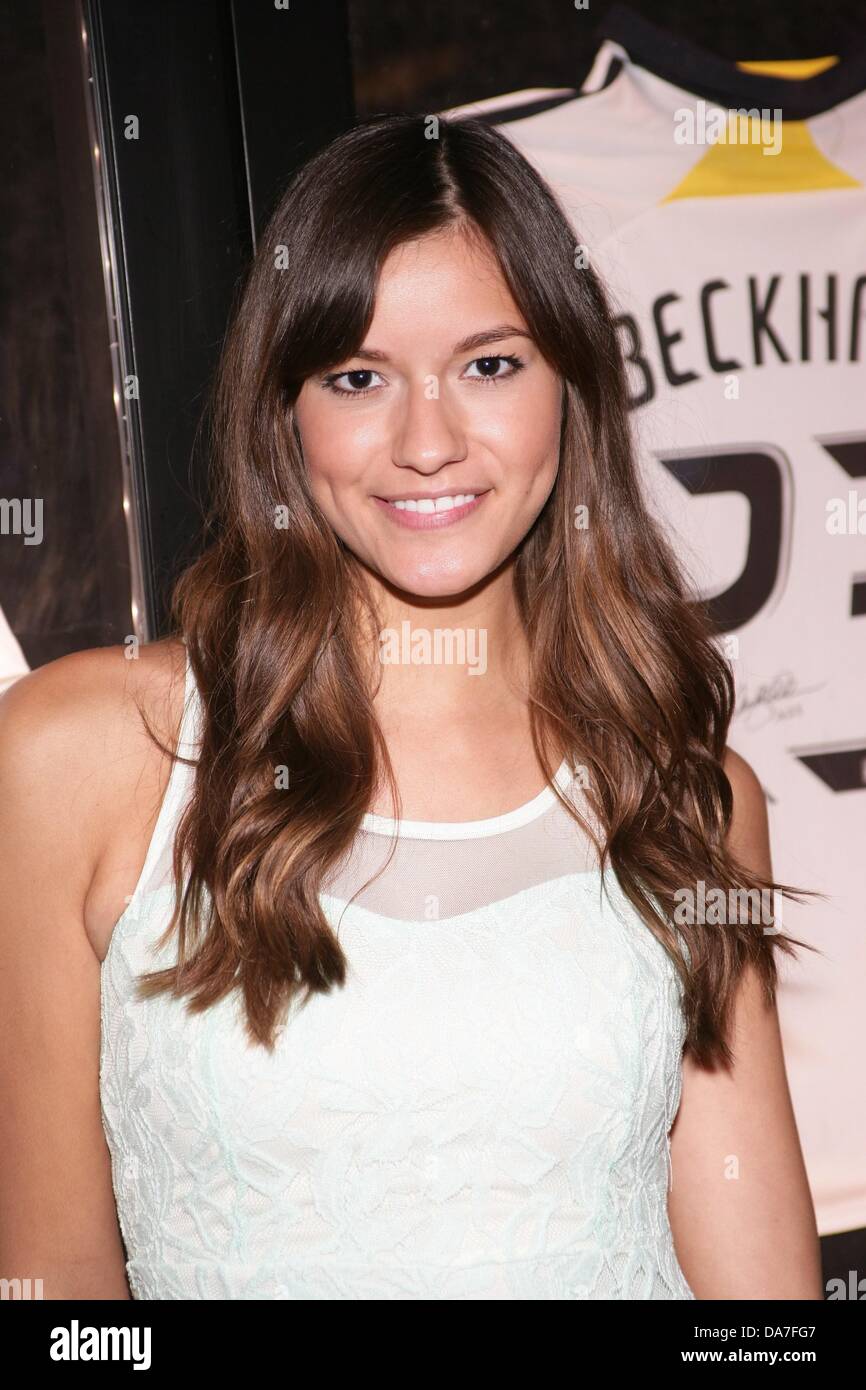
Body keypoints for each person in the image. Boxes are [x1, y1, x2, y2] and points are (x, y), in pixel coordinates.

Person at [0, 113, 824, 1301]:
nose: (426, 441)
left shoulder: (683, 796)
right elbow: (52, 1287)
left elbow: (762, 1313)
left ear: (569, 392)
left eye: (489, 365)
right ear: (284, 414)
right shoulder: (80, 756)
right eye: (357, 377)